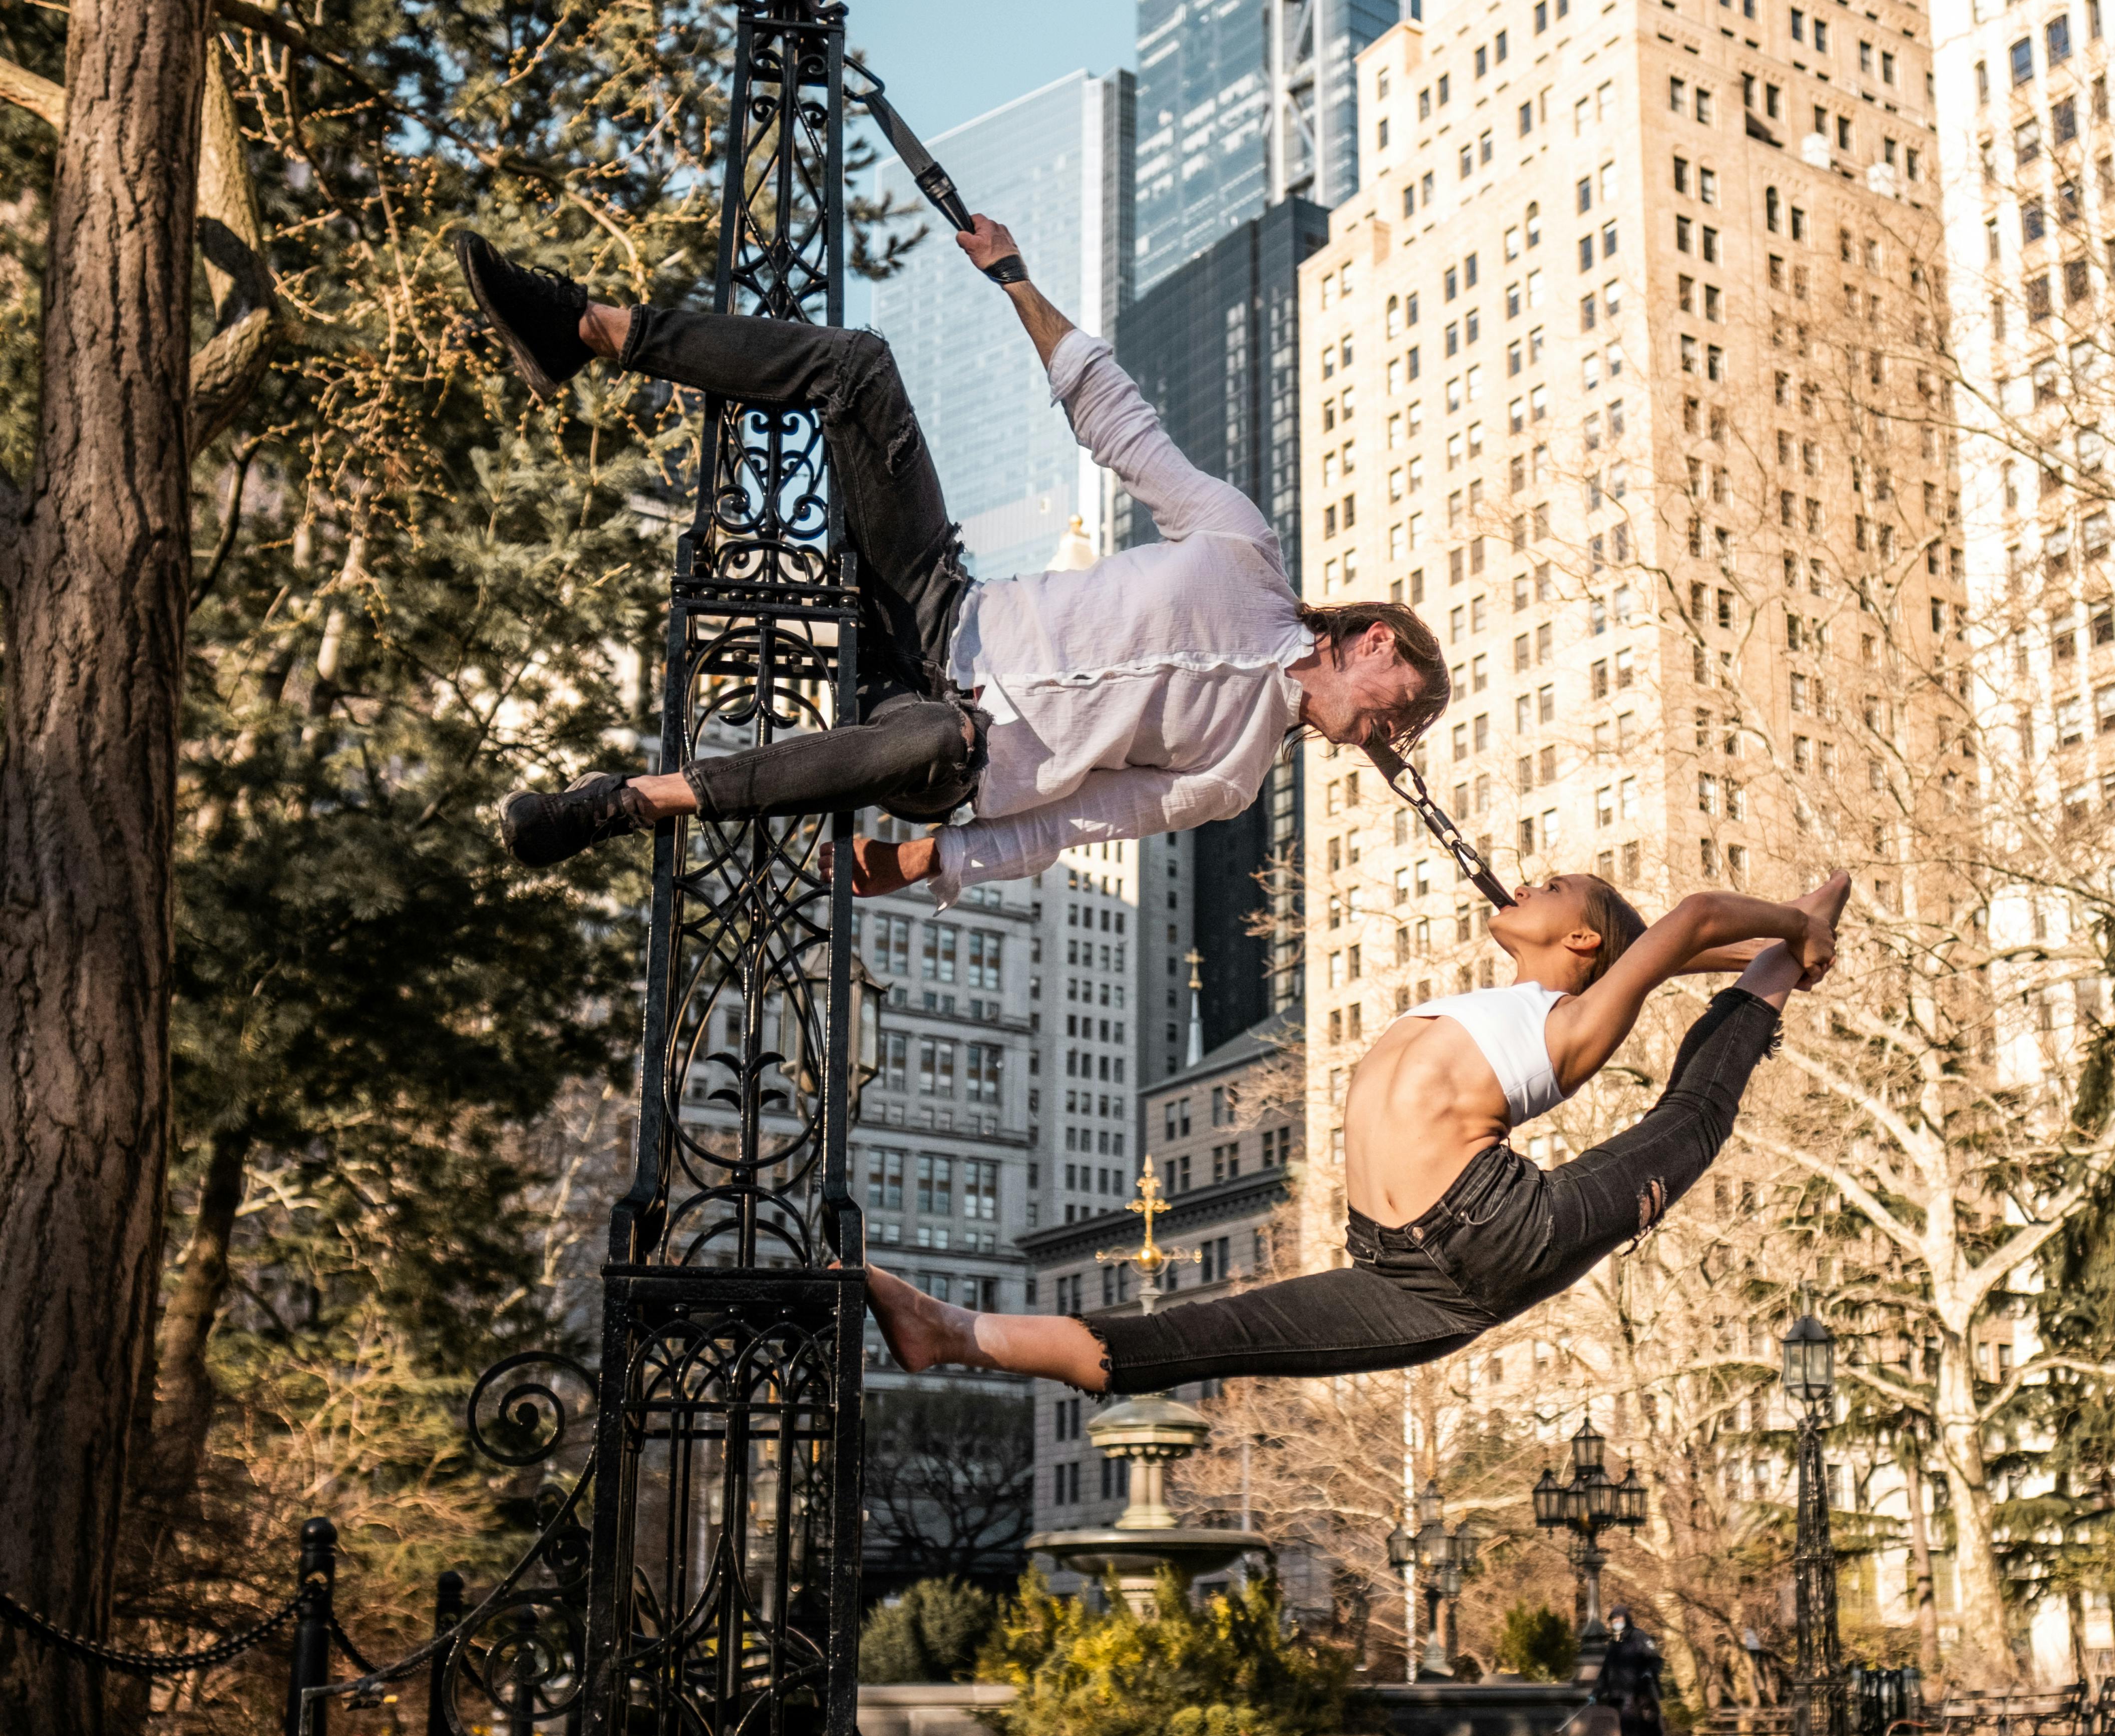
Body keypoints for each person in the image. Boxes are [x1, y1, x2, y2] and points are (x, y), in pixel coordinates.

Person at [451, 219, 1446, 896]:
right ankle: (581, 328)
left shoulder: (1229, 778)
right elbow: (1113, 418)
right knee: (857, 371)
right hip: (939, 611)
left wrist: (923, 864)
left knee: (943, 742)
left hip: (943, 744)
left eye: (1400, 728)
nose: (1385, 729)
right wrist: (1014, 277)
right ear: (1364, 639)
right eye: (1398, 701)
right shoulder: (1241, 546)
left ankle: (622, 803)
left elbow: (1069, 826)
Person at [867, 864, 1849, 1394]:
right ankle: (951, 1334)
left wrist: (1789, 928)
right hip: (1401, 1272)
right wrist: (1764, 944)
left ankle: (1775, 979)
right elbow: (1662, 949)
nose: (1529, 878)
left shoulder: (1572, 1026)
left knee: (1688, 1115)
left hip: (1499, 1227)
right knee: (1194, 1336)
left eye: (1554, 886)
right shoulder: (1521, 1000)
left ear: (1580, 940)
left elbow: (1688, 916)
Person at [1595, 1609, 1667, 1736]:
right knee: (1629, 1732)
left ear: (1626, 1620)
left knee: (1645, 1731)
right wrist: (1597, 1691)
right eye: (1613, 1620)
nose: (1616, 1623)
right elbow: (1606, 1670)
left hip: (1641, 1694)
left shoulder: (1639, 1637)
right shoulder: (1614, 1644)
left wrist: (1649, 1672)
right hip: (1622, 1695)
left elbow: (1655, 1659)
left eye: (1619, 1619)